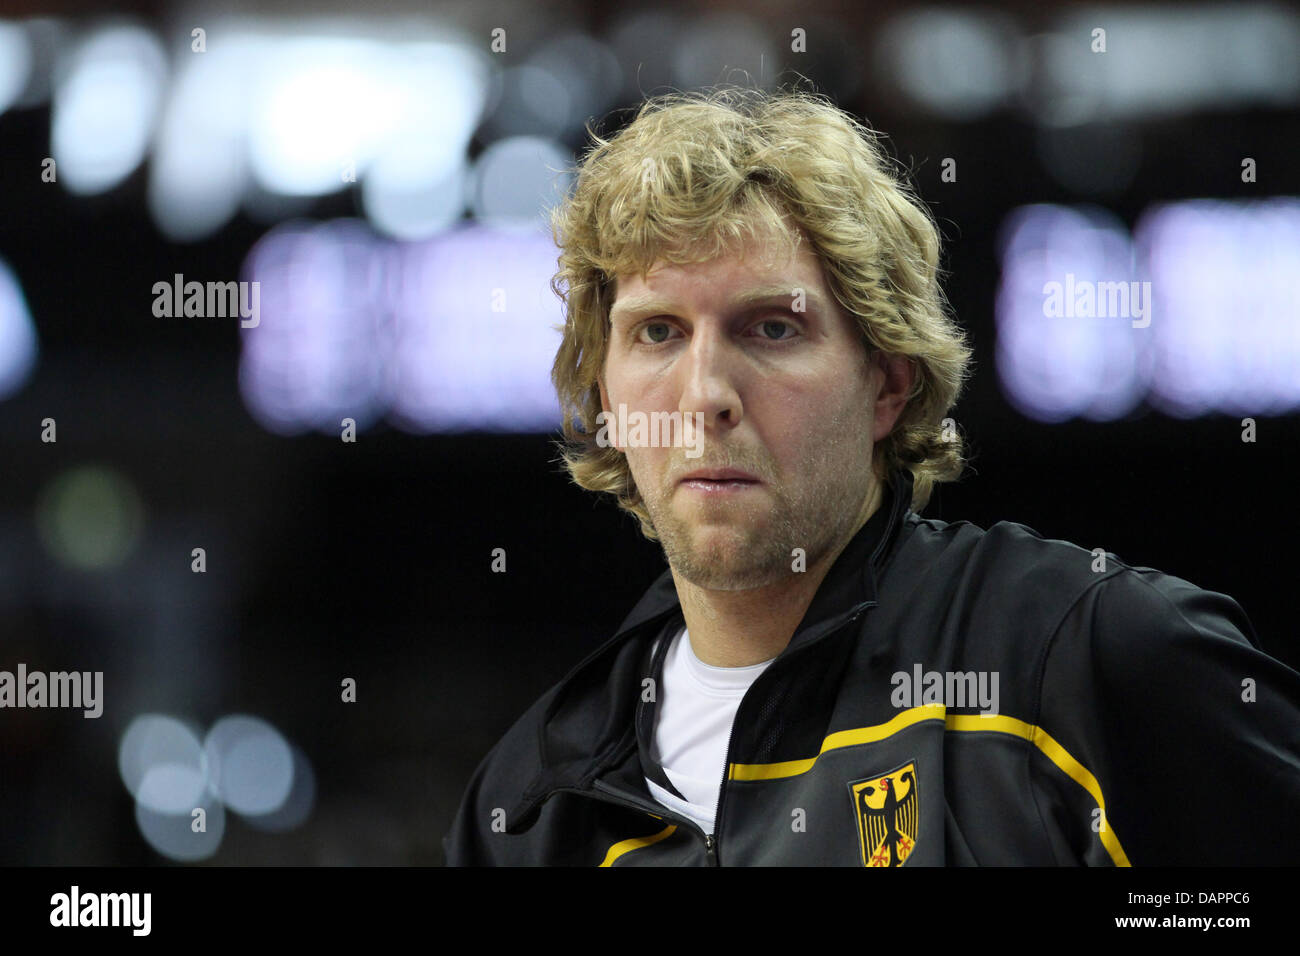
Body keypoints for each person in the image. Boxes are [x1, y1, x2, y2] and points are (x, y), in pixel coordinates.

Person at [444, 86, 1300, 865]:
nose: (705, 394)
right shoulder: (526, 805)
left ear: (887, 383)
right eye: (658, 332)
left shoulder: (1086, 660)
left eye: (772, 329)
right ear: (607, 397)